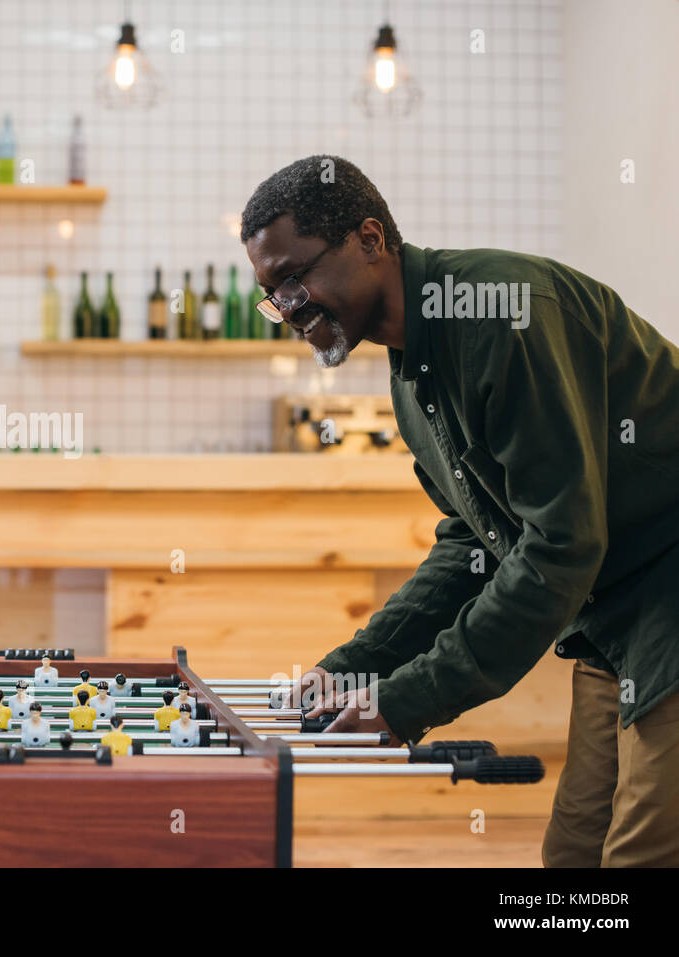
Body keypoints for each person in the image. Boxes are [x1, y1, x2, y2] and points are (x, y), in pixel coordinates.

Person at [245, 154, 679, 867]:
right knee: (575, 854)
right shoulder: (412, 372)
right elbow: (470, 549)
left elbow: (559, 546)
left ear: (370, 240)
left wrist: (409, 697)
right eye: (272, 293)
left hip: (665, 586)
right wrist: (356, 667)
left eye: (294, 277)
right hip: (615, 621)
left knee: (640, 856)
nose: (288, 308)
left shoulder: (500, 315)